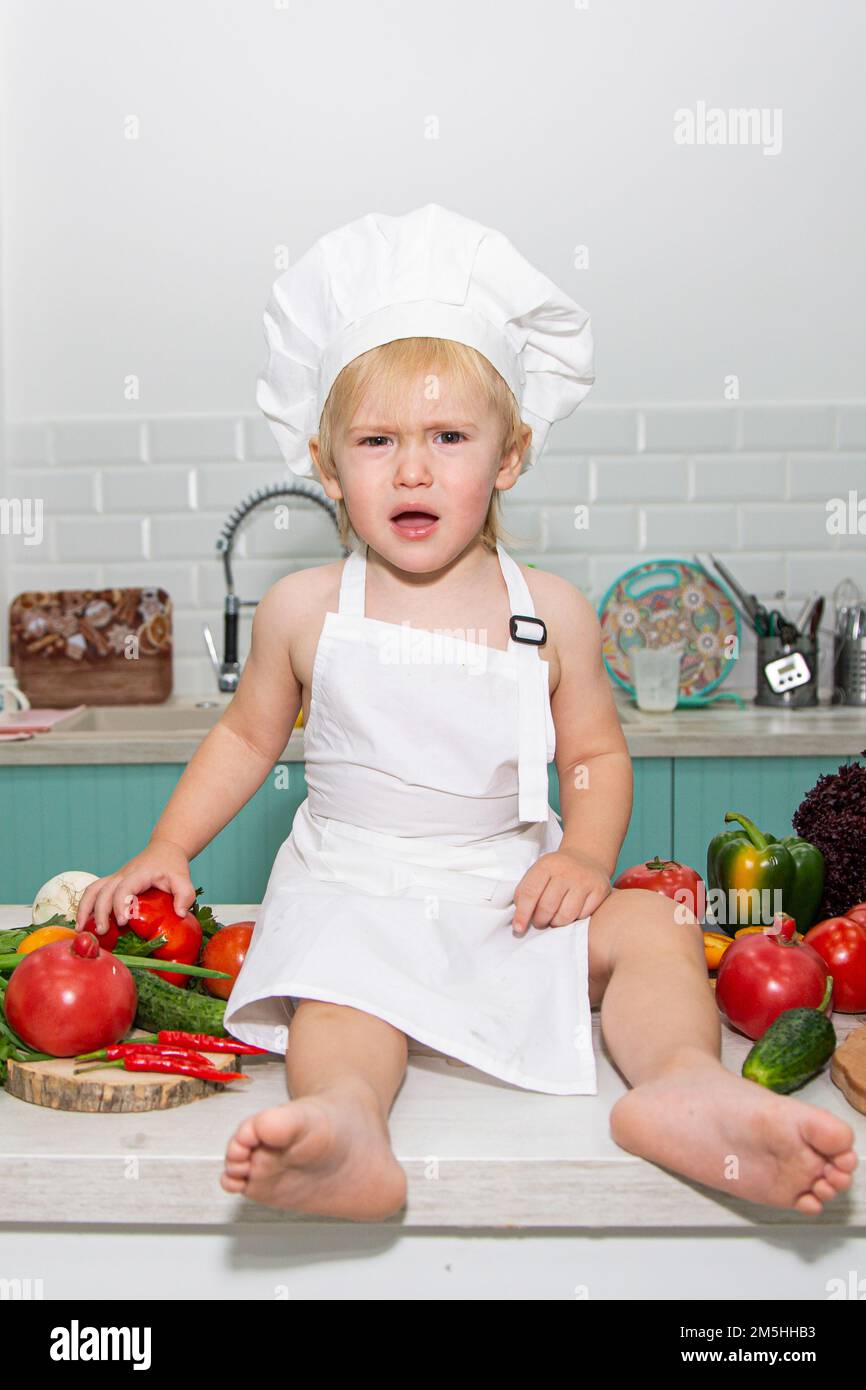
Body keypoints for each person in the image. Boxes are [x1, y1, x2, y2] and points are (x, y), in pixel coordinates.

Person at [75, 205, 856, 1223]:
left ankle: (676, 1081)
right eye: (376, 440)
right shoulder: (307, 609)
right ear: (325, 465)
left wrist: (582, 857)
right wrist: (167, 845)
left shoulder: (550, 615)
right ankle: (348, 1121)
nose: (411, 466)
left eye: (447, 437)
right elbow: (244, 735)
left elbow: (592, 754)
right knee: (338, 997)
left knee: (658, 925)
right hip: (354, 889)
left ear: (508, 456)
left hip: (503, 894)